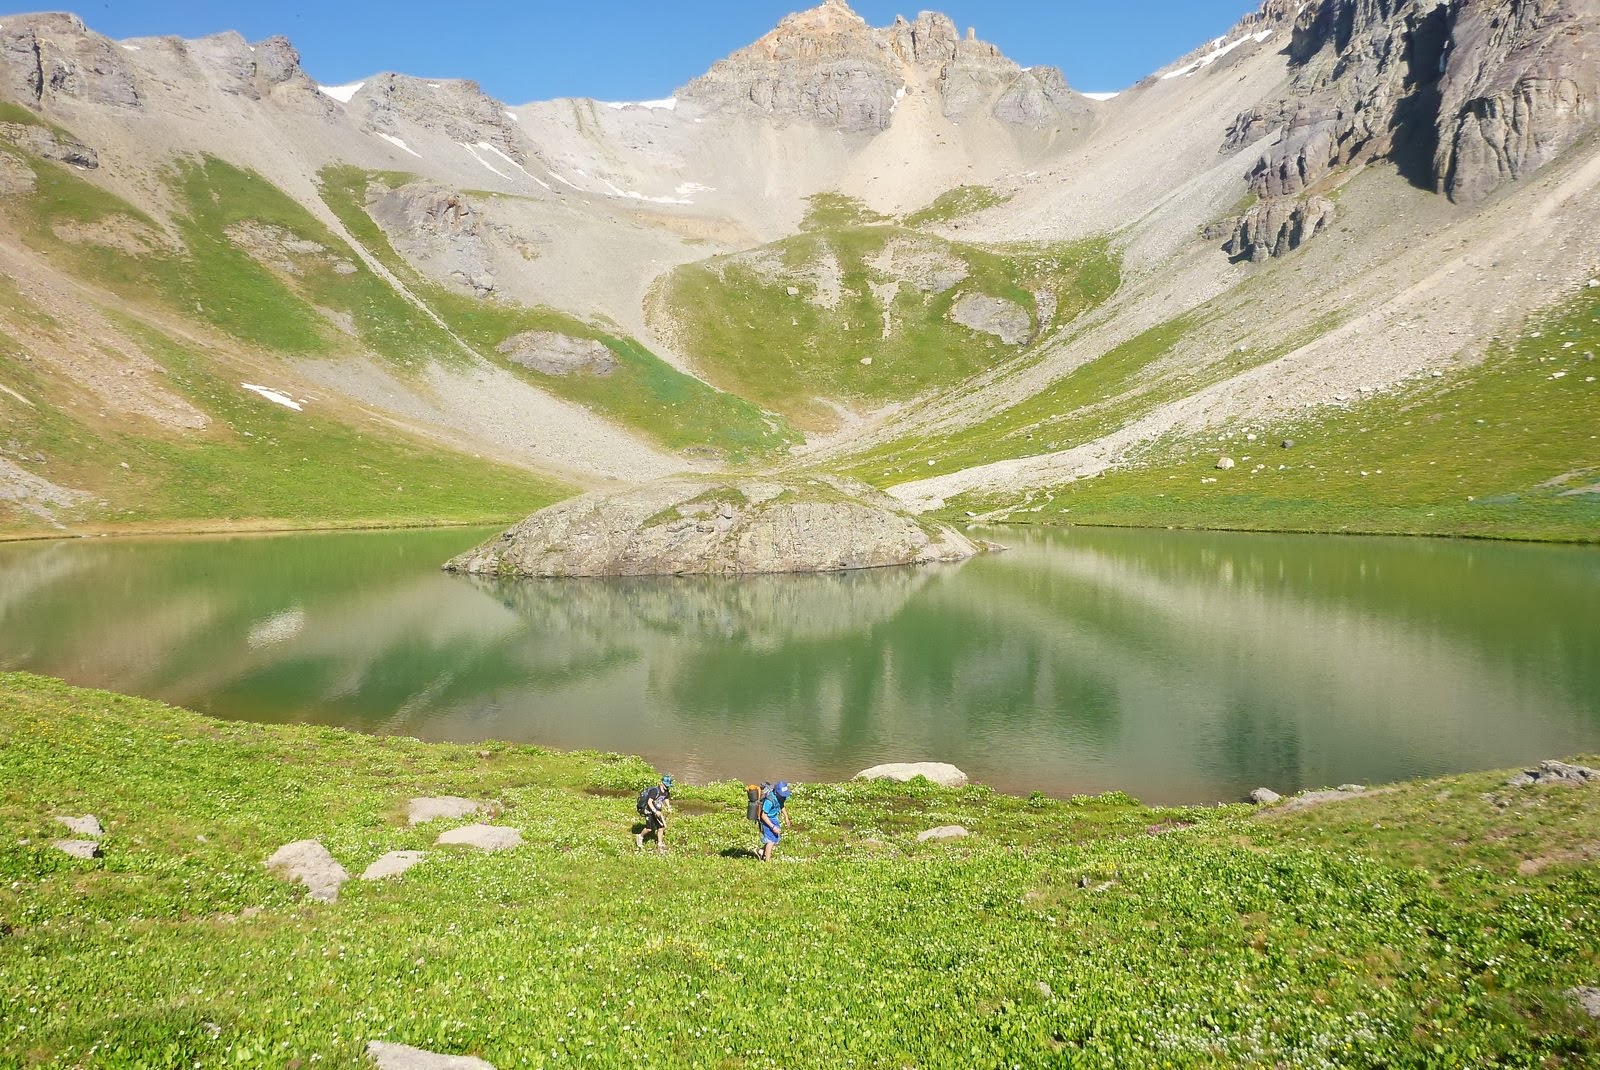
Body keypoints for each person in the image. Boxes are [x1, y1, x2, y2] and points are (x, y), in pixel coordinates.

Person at [635, 774, 673, 854]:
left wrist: (669, 807)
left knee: (661, 827)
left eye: (668, 786)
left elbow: (666, 798)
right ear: (661, 783)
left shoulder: (666, 792)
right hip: (649, 810)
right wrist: (655, 811)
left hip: (657, 811)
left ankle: (660, 843)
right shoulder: (655, 791)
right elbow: (649, 802)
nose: (667, 787)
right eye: (666, 785)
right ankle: (640, 836)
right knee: (649, 829)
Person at [758, 780, 791, 861]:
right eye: (782, 795)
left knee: (775, 838)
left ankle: (761, 851)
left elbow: (781, 806)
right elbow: (763, 815)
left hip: (774, 818)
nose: (783, 797)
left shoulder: (780, 798)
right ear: (776, 793)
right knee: (771, 841)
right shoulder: (769, 801)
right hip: (767, 820)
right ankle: (767, 862)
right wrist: (773, 827)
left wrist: (786, 817)